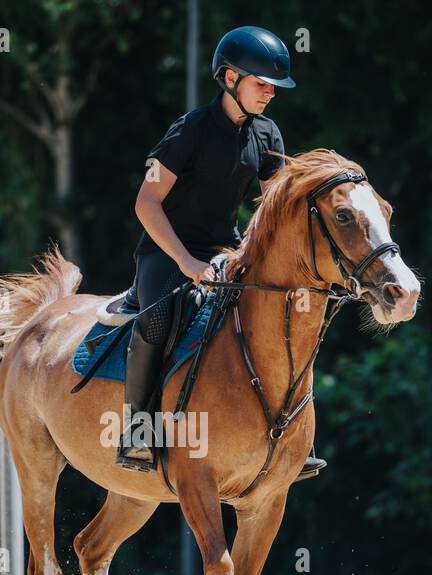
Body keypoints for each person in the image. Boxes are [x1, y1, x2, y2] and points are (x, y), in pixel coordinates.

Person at [116, 25, 326, 481]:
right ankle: (137, 430)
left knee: (282, 318)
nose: (270, 93)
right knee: (155, 321)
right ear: (229, 78)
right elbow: (145, 203)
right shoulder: (189, 131)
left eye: (274, 86)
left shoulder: (269, 135)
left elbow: (273, 210)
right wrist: (185, 262)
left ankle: (294, 439)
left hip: (225, 252)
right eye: (261, 83)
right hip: (166, 251)